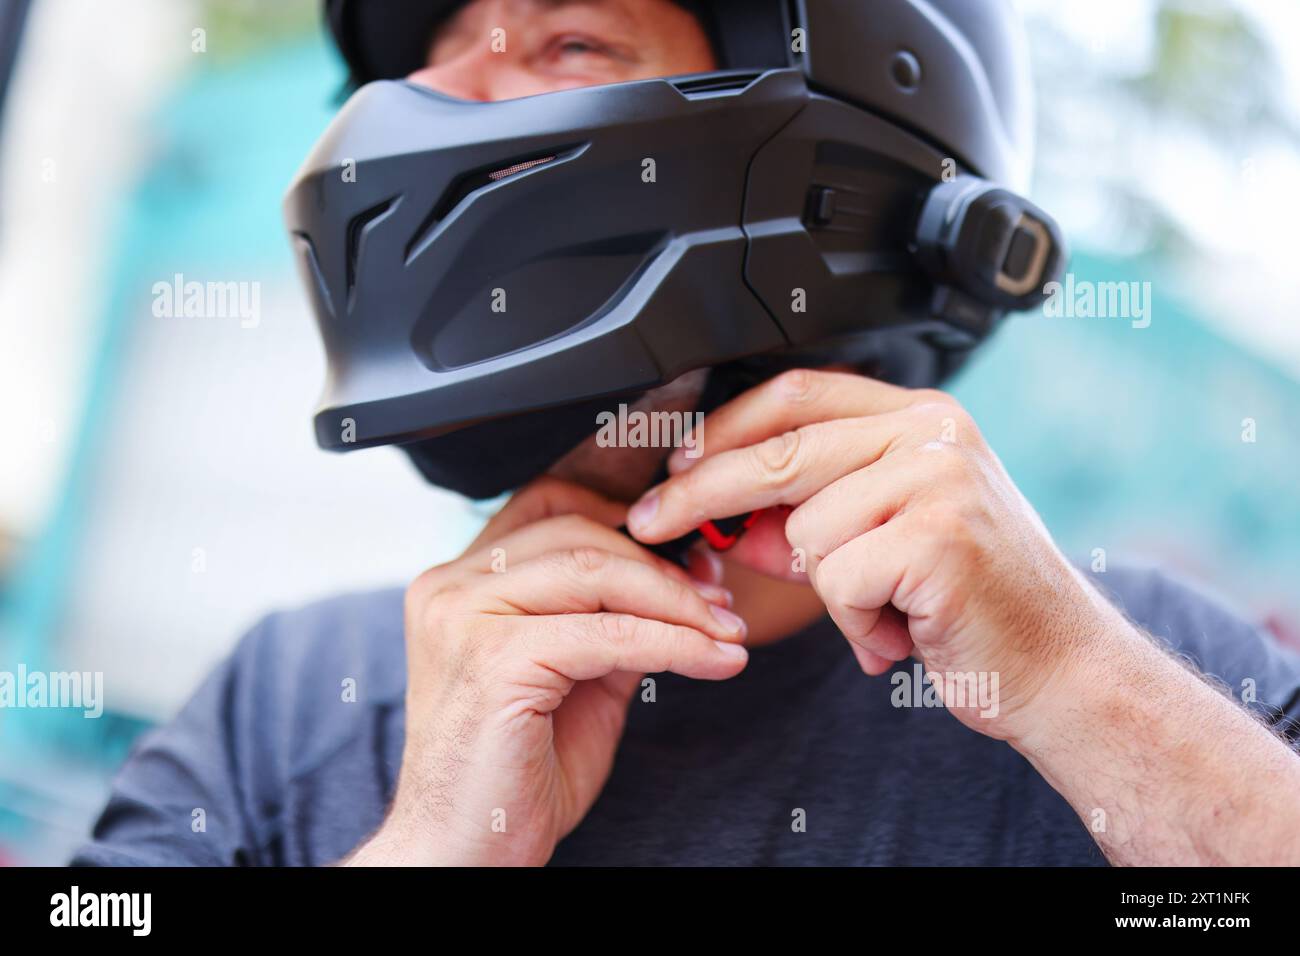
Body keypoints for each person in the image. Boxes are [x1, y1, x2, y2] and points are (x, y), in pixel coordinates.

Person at [73, 0, 1300, 867]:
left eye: (565, 40)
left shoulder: (1152, 668)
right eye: (431, 64)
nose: (427, 110)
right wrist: (433, 846)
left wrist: (1078, 685)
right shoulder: (286, 702)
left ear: (840, 175)